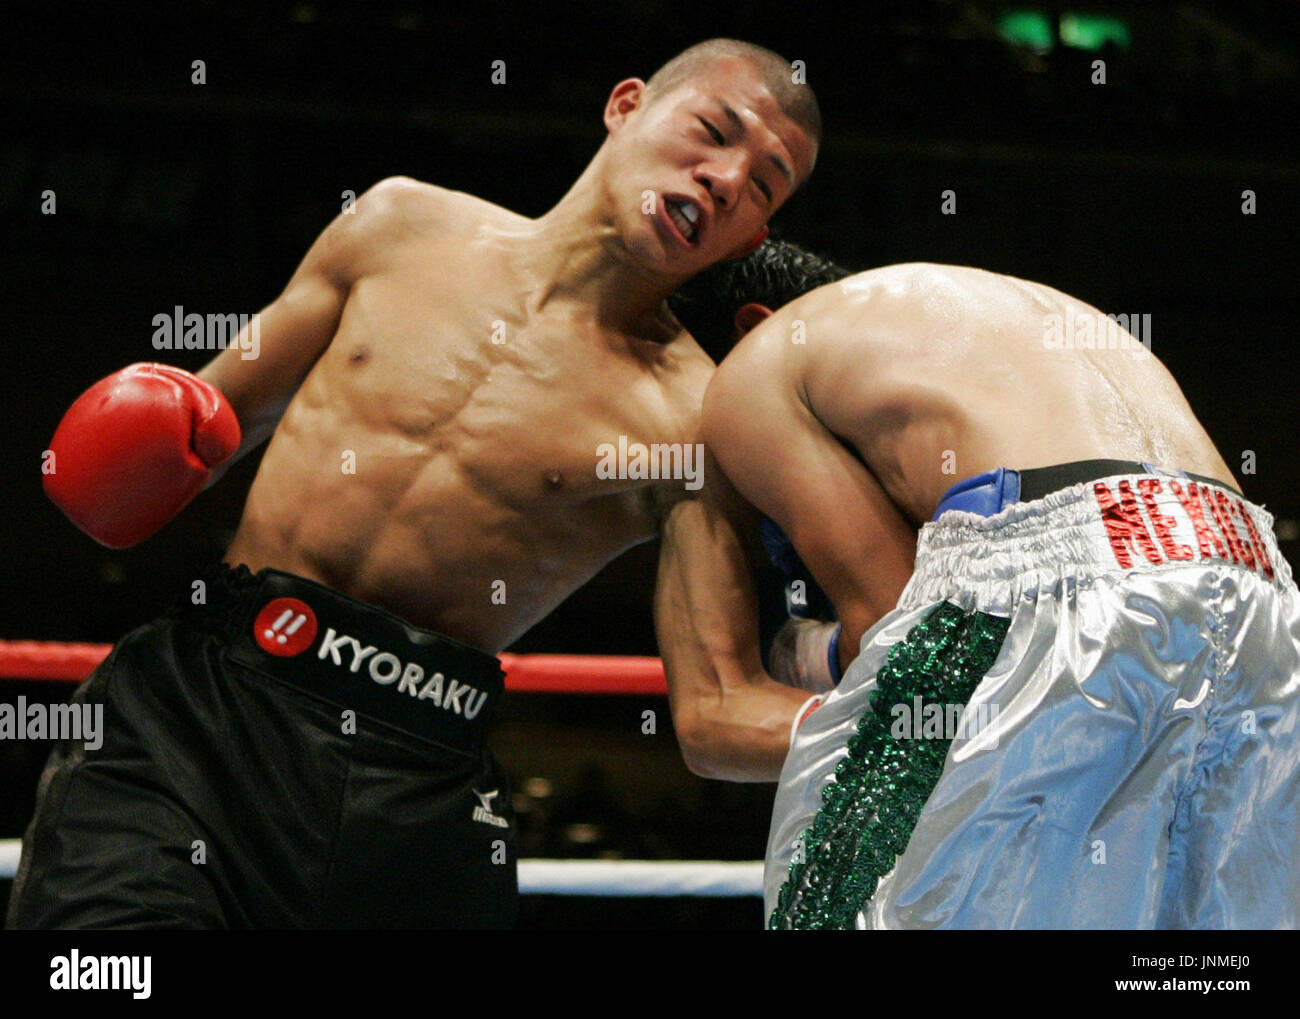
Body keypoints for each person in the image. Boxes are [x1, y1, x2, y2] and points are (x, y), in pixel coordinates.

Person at [10, 39, 820, 930]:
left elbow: (713, 713)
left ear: (758, 233)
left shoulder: (696, 423)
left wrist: (933, 722)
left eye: (764, 185)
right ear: (625, 104)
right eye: (712, 131)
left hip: (415, 783)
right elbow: (202, 430)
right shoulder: (398, 226)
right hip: (200, 720)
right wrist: (122, 453)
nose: (725, 178)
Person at [661, 248, 1300, 929]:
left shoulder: (750, 367)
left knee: (830, 904)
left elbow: (893, 621)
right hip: (1262, 596)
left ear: (749, 324)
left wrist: (807, 654)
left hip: (1058, 573)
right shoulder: (985, 312)